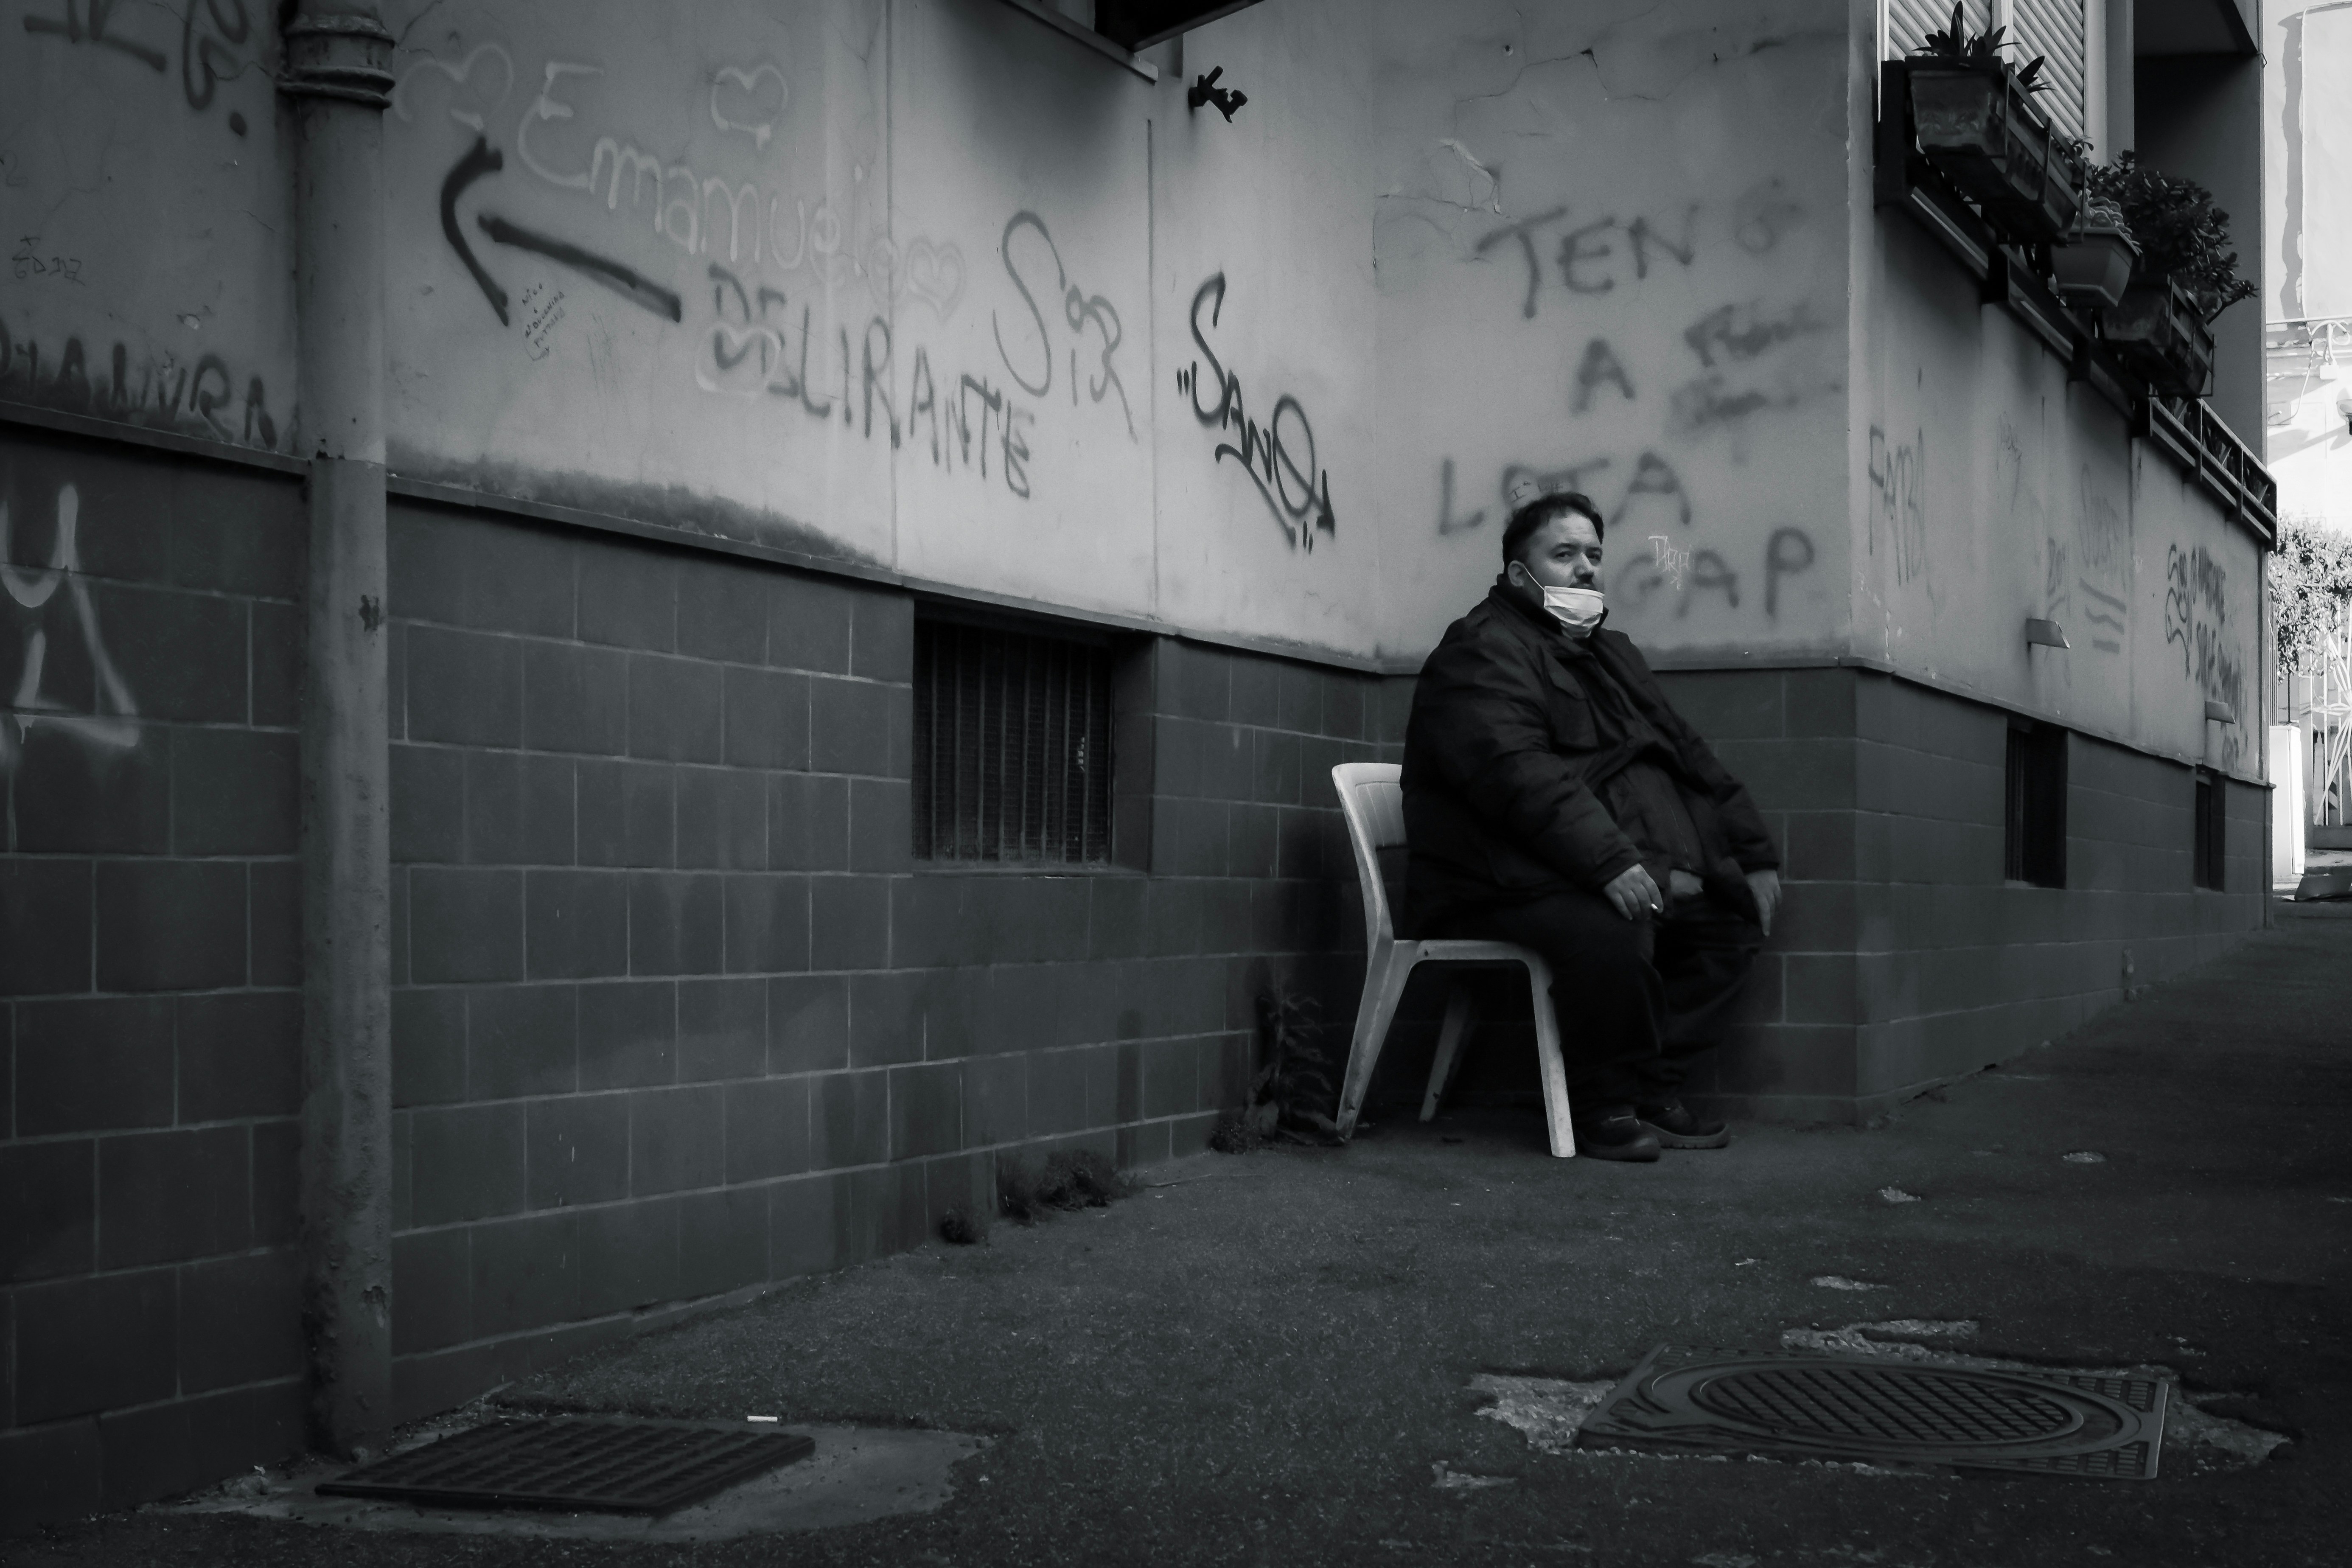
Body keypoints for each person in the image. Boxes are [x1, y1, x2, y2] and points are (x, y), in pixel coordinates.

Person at [1400, 490, 1782, 1162]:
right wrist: (1613, 863)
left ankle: (1653, 1086)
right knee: (1614, 925)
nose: (1586, 569)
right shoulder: (1482, 653)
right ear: (1521, 573)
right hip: (1490, 873)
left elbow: (1685, 751)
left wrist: (1750, 853)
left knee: (1728, 917)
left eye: (1595, 555)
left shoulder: (1612, 656)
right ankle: (1605, 1104)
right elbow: (1517, 776)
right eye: (1565, 553)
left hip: (1563, 863)